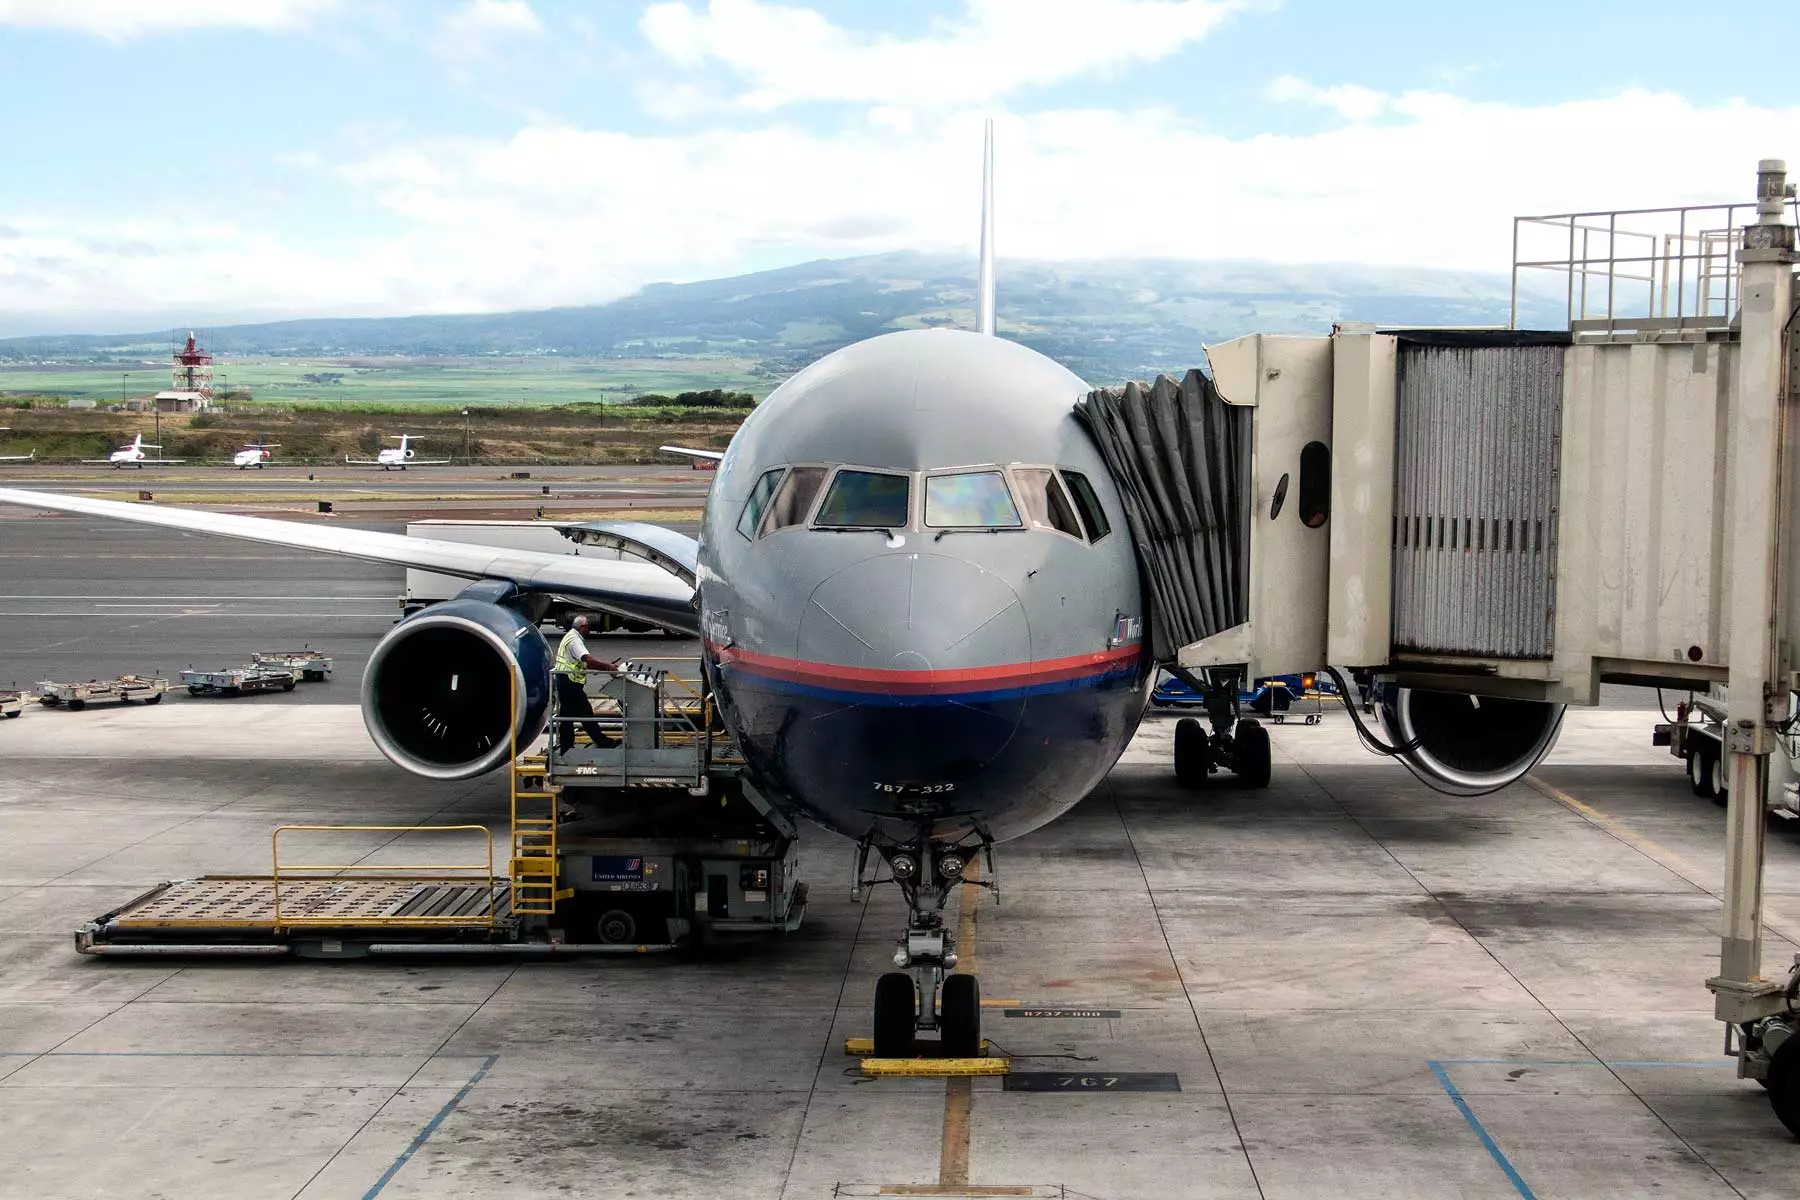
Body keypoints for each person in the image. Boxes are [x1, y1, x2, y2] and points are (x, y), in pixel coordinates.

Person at [553, 615, 618, 751]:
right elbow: (587, 659)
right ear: (582, 627)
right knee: (585, 713)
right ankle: (602, 742)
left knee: (566, 716)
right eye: (588, 627)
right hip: (569, 682)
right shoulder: (575, 640)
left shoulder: (571, 636)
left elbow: (582, 663)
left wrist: (604, 667)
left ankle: (566, 747)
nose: (589, 630)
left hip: (565, 680)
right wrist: (607, 667)